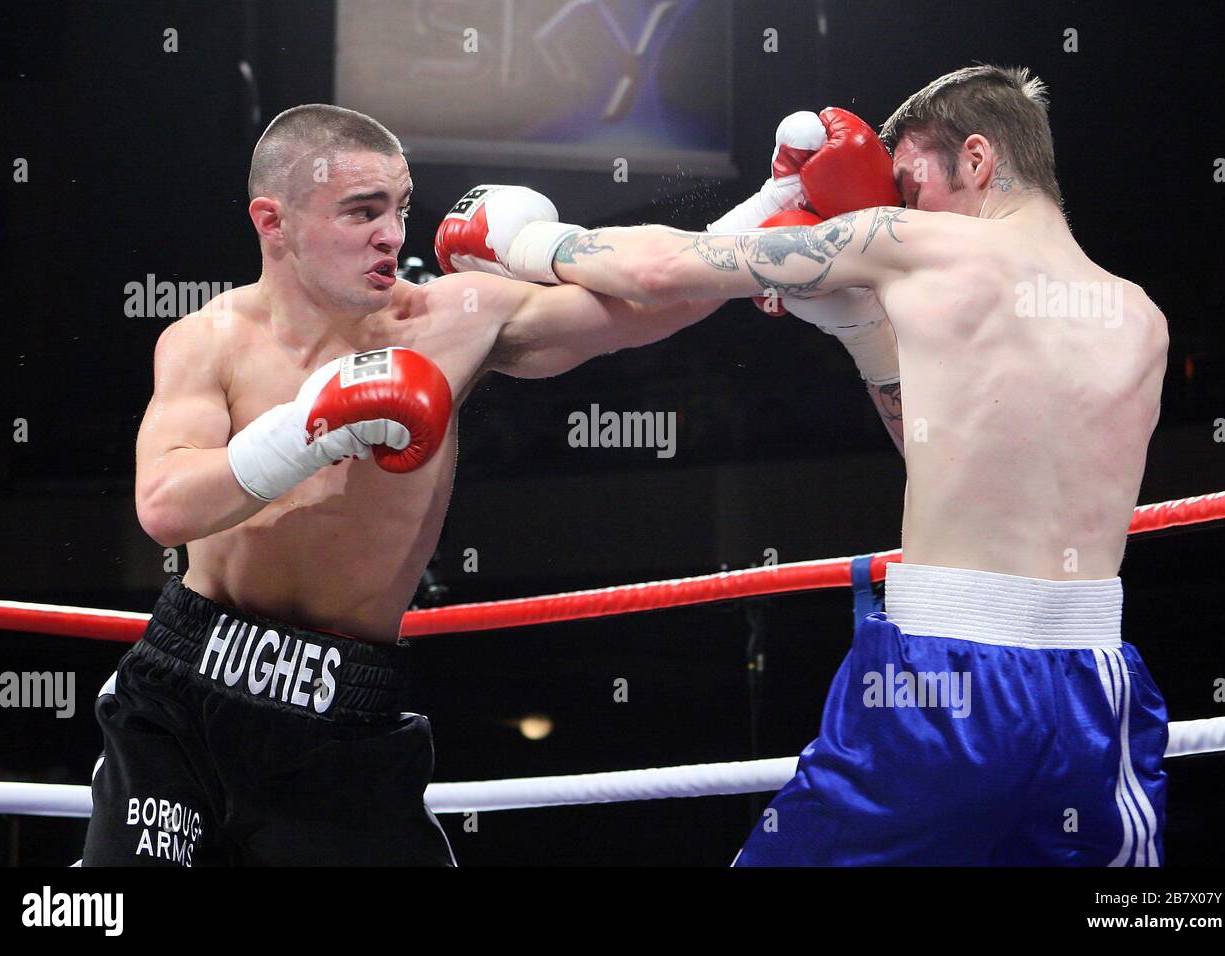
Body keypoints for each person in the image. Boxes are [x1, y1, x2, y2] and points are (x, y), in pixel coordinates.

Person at [441, 66, 1170, 866]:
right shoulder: (1138, 316)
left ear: (977, 157)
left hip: (944, 680)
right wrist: (864, 334)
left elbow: (658, 273)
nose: (896, 204)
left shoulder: (917, 243)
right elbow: (957, 458)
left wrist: (523, 240)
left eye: (910, 182)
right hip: (1098, 692)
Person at [81, 104, 723, 866]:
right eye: (362, 212)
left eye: (400, 209)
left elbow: (667, 297)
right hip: (184, 693)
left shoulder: (454, 321)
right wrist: (310, 426)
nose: (392, 234)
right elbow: (164, 508)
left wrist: (544, 245)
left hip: (342, 716)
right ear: (273, 221)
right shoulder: (206, 339)